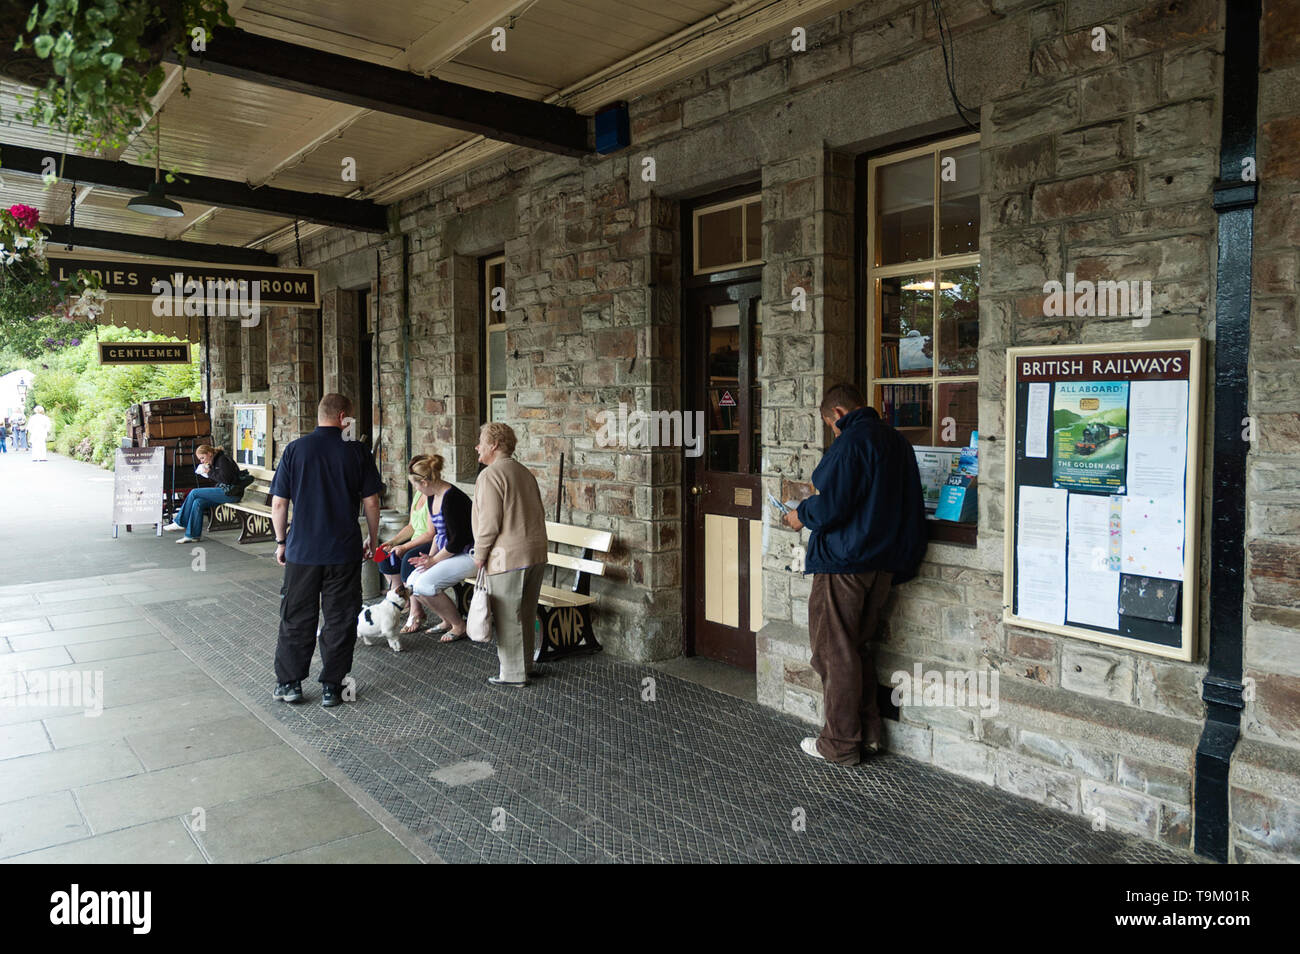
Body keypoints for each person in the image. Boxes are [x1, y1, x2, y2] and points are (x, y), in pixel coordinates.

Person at [782, 383, 927, 765]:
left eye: (831, 425)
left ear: (840, 414)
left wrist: (801, 515)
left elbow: (833, 505)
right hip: (882, 565)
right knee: (856, 648)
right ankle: (869, 733)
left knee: (833, 653)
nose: (833, 432)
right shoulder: (898, 442)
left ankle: (840, 744)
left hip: (844, 563)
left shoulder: (851, 442)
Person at [270, 393, 383, 708]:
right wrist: (372, 541)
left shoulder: (295, 450)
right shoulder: (357, 451)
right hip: (343, 552)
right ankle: (333, 687)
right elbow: (372, 502)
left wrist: (281, 542)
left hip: (302, 552)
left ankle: (290, 683)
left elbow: (279, 503)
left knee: (296, 617)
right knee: (340, 619)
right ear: (343, 416)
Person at [471, 421, 548, 686]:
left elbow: (489, 522)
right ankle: (525, 666)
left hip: (507, 556)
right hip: (535, 552)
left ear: (494, 445)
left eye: (481, 441)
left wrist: (479, 554)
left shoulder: (490, 475)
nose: (477, 446)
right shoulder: (524, 472)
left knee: (507, 618)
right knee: (525, 613)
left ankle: (513, 675)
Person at [402, 454, 475, 648]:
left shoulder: (452, 497)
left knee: (425, 584)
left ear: (424, 482)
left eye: (415, 484)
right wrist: (430, 557)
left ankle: (460, 625)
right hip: (449, 552)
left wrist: (434, 561)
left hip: (470, 553)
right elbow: (437, 534)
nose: (415, 488)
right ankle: (447, 620)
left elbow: (457, 540)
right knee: (412, 582)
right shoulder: (432, 495)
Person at [376, 454, 436, 612]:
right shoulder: (418, 494)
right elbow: (411, 526)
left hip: (429, 542)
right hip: (416, 539)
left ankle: (416, 611)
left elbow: (430, 533)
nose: (415, 488)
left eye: (415, 484)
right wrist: (393, 542)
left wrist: (404, 547)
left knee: (406, 559)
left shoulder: (433, 496)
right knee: (384, 555)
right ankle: (398, 598)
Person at [163, 443, 242, 543]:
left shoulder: (222, 460)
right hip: (226, 491)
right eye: (200, 459)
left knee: (194, 492)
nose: (202, 461)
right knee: (198, 502)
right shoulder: (215, 460)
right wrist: (209, 471)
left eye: (202, 458)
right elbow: (221, 478)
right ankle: (192, 535)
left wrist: (209, 472)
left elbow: (226, 479)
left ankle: (180, 522)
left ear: (209, 453)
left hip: (232, 493)